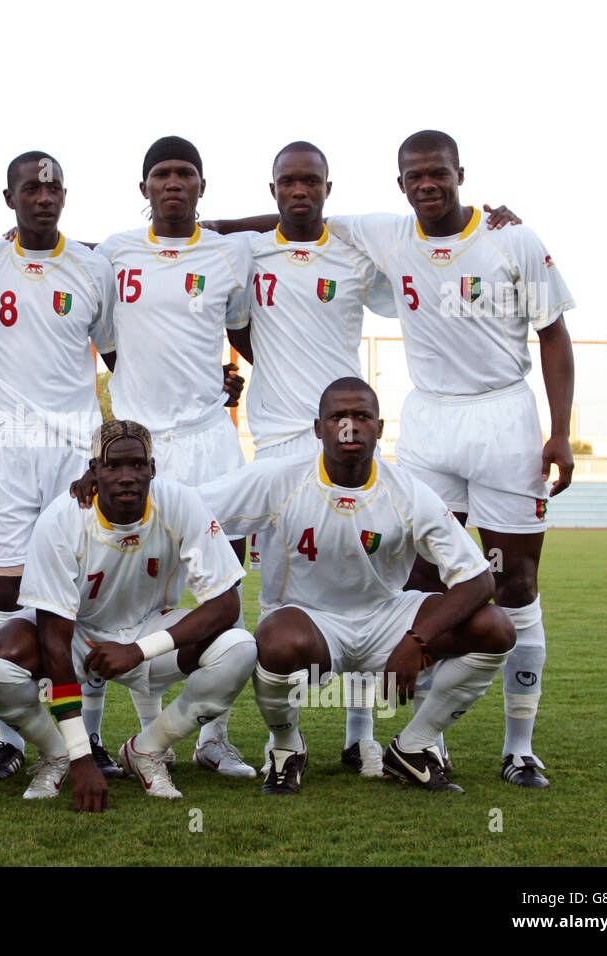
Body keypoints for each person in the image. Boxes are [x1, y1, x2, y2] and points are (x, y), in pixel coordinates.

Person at [321, 131, 575, 788]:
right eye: (415, 176)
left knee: (515, 585)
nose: (427, 184)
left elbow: (553, 333)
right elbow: (297, 216)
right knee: (421, 583)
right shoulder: (388, 233)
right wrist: (211, 228)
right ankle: (418, 739)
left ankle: (519, 748)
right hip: (429, 422)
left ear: (460, 173)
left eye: (438, 172)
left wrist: (560, 432)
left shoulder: (513, 239)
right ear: (400, 183)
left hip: (505, 419)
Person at [197, 378, 515, 793]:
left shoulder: (408, 492)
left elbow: (479, 579)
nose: (349, 427)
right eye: (338, 417)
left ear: (379, 428)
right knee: (276, 640)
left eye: (362, 416)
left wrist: (417, 642)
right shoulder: (278, 479)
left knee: (495, 627)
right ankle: (286, 748)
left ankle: (413, 746)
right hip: (309, 622)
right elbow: (191, 508)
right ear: (318, 428)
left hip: (385, 619)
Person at [225, 141, 397, 776]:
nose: (300, 191)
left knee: (361, 581)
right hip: (276, 441)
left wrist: (491, 223)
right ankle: (287, 739)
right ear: (272, 189)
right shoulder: (249, 252)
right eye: (288, 181)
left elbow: (418, 261)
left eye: (311, 182)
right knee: (279, 589)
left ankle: (360, 736)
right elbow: (232, 315)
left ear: (329, 188)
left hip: (345, 439)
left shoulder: (354, 252)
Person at [0, 420, 256, 808]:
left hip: (148, 633)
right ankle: (57, 753)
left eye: (137, 464)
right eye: (113, 466)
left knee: (240, 648)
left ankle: (147, 748)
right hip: (78, 636)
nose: (127, 476)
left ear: (152, 468)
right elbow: (54, 643)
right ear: (94, 470)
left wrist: (139, 650)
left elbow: (227, 604)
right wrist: (81, 755)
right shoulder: (62, 518)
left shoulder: (179, 502)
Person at [91, 136, 254, 778]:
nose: (173, 182)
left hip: (211, 440)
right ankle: (118, 740)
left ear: (202, 186)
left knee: (222, 585)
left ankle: (214, 738)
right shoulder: (113, 253)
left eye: (186, 173)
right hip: (140, 447)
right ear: (144, 188)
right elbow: (107, 339)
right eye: (162, 173)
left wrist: (217, 381)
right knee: (132, 588)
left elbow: (237, 326)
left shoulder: (228, 253)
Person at [0, 150, 120, 781]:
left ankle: (91, 737)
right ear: (9, 197)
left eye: (53, 187)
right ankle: (11, 739)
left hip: (74, 450)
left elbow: (117, 358)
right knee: (5, 591)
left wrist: (106, 451)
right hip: (4, 446)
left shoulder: (92, 267)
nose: (43, 196)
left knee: (81, 594)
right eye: (31, 187)